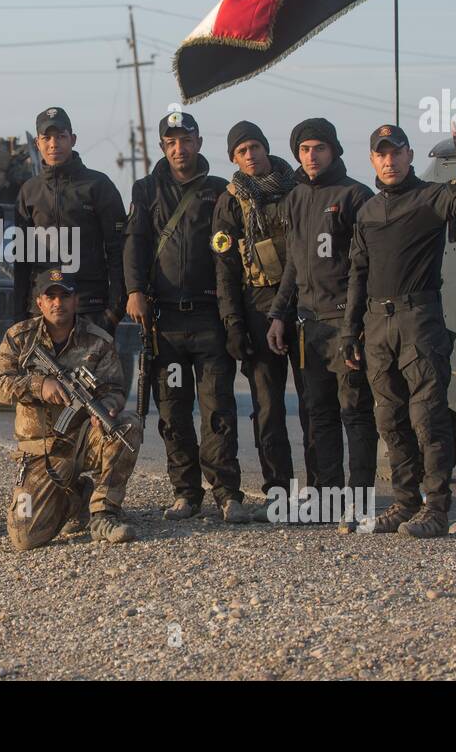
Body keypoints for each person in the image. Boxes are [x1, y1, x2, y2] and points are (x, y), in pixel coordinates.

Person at [343, 121, 456, 538]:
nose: (390, 161)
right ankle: (405, 504)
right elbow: (357, 272)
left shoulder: (431, 198)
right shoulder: (367, 211)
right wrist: (349, 333)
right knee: (389, 419)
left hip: (419, 321)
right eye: (381, 154)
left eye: (397, 152)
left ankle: (436, 508)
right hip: (376, 325)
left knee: (428, 417)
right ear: (372, 159)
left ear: (409, 156)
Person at [127, 111, 246, 523]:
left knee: (217, 410)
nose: (180, 148)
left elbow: (229, 255)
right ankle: (186, 492)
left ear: (198, 142)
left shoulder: (218, 191)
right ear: (163, 146)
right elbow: (136, 244)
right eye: (172, 141)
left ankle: (228, 494)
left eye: (187, 140)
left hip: (208, 320)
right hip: (167, 324)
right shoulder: (145, 191)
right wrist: (134, 291)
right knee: (174, 410)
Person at [264, 118, 377, 530]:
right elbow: (294, 264)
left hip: (347, 323)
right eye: (305, 149)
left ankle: (360, 502)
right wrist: (278, 313)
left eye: (320, 148)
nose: (312, 156)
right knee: (319, 415)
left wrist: (356, 325)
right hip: (308, 325)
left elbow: (366, 267)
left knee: (356, 414)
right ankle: (326, 499)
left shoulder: (355, 196)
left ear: (334, 151)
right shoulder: (294, 199)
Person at [0, 269, 143, 550]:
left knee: (128, 425)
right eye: (51, 296)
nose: (57, 303)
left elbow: (115, 389)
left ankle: (103, 513)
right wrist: (39, 385)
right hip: (39, 453)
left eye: (65, 296)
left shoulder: (98, 340)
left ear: (76, 301)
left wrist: (107, 407)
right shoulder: (19, 337)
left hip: (83, 441)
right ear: (40, 302)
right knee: (24, 538)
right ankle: (77, 497)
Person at [211, 121, 311, 521]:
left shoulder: (297, 190)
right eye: (241, 151)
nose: (249, 155)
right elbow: (225, 269)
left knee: (314, 403)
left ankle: (323, 487)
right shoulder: (231, 201)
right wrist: (233, 323)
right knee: (267, 406)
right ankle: (278, 490)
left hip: (303, 304)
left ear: (267, 148)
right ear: (234, 158)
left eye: (255, 147)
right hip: (255, 305)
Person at [13, 107, 126, 332]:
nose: (53, 144)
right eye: (47, 138)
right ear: (37, 143)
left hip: (90, 309)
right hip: (41, 310)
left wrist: (114, 311)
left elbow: (119, 250)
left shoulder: (98, 185)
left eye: (61, 137)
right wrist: (19, 317)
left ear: (72, 139)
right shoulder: (29, 191)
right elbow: (21, 260)